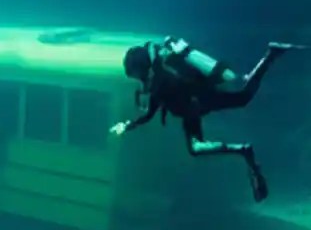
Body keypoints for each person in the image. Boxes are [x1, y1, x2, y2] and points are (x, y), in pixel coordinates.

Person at [110, 37, 299, 202]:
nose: (139, 80)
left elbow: (149, 113)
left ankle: (271, 55)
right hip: (194, 106)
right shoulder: (163, 64)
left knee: (239, 102)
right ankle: (271, 56)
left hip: (197, 104)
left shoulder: (160, 80)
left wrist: (128, 125)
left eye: (137, 75)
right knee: (240, 100)